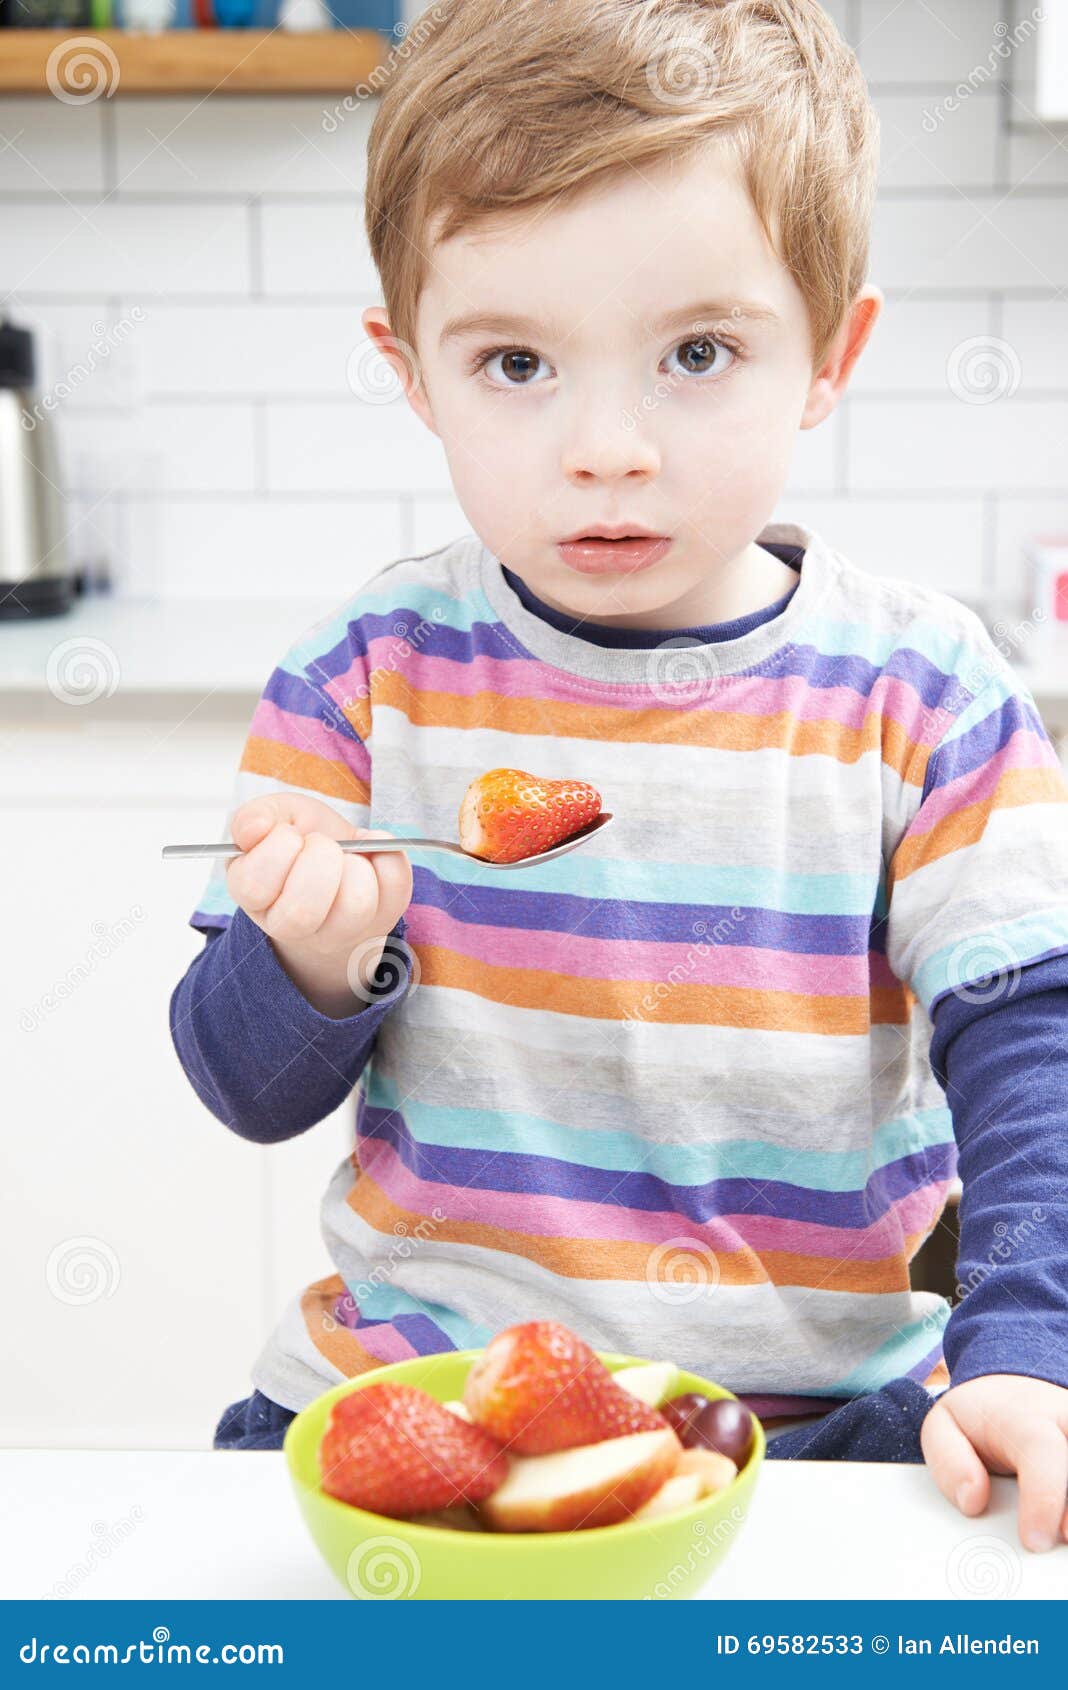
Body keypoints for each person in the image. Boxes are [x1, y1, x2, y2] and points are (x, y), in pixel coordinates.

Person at [171, 0, 1068, 1551]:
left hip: (826, 1440)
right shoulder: (361, 678)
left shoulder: (926, 693)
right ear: (412, 371)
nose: (606, 446)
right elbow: (245, 1088)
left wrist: (1031, 1347)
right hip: (423, 1412)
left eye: (697, 354)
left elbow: (1033, 1045)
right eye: (515, 361)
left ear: (830, 355)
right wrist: (308, 965)